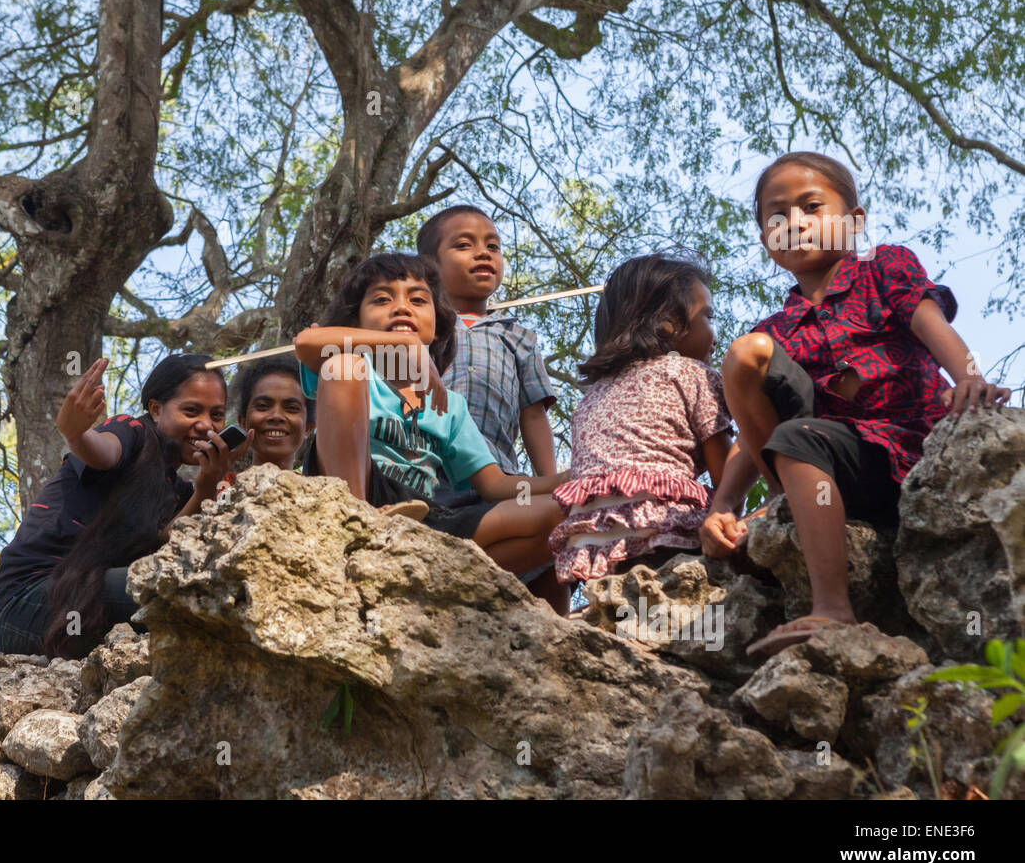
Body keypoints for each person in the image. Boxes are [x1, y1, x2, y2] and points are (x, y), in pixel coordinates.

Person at [702, 151, 1010, 657]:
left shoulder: (885, 267)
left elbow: (929, 322)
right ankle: (783, 510)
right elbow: (751, 428)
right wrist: (721, 506)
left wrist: (970, 378)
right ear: (766, 242)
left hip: (911, 456)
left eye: (812, 206)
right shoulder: (775, 330)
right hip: (828, 459)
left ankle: (832, 610)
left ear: (854, 221)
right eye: (777, 216)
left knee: (798, 439)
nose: (794, 222)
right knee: (745, 357)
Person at [292, 252, 573, 612]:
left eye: (418, 299)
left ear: (438, 326)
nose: (401, 307)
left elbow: (497, 486)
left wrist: (566, 480)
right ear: (356, 321)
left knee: (564, 515)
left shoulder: (450, 405)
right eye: (381, 299)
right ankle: (359, 530)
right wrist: (403, 345)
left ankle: (435, 582)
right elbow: (306, 344)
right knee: (342, 367)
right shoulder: (353, 365)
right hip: (354, 499)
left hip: (426, 517)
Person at [0, 353, 245, 658]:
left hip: (87, 601)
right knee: (193, 588)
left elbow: (168, 540)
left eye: (216, 415)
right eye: (191, 410)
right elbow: (101, 452)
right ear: (156, 409)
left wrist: (207, 486)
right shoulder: (132, 432)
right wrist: (76, 433)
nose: (206, 425)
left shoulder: (179, 490)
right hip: (27, 603)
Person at [548, 253, 737, 585]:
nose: (716, 336)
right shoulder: (691, 374)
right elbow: (729, 481)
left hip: (591, 544)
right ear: (668, 323)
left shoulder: (590, 397)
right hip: (660, 530)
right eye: (708, 317)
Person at [415, 204, 558, 478]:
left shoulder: (519, 338)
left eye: (493, 246)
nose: (483, 253)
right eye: (464, 245)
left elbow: (534, 415)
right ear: (429, 265)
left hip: (496, 473)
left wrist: (551, 483)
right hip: (420, 464)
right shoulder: (419, 324)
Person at [228, 356, 315, 473]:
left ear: (308, 428)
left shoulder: (323, 490)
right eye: (262, 406)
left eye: (292, 408)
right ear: (242, 422)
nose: (276, 416)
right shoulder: (218, 488)